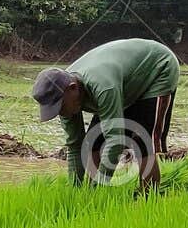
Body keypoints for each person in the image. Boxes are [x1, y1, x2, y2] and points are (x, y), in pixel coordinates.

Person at [31, 38, 180, 192]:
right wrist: (74, 191)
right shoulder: (63, 93)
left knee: (143, 143)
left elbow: (116, 141)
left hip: (157, 69)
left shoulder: (103, 87)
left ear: (73, 88)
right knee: (92, 142)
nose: (60, 113)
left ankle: (149, 198)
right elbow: (75, 146)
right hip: (123, 81)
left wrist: (99, 187)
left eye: (60, 107)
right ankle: (88, 193)